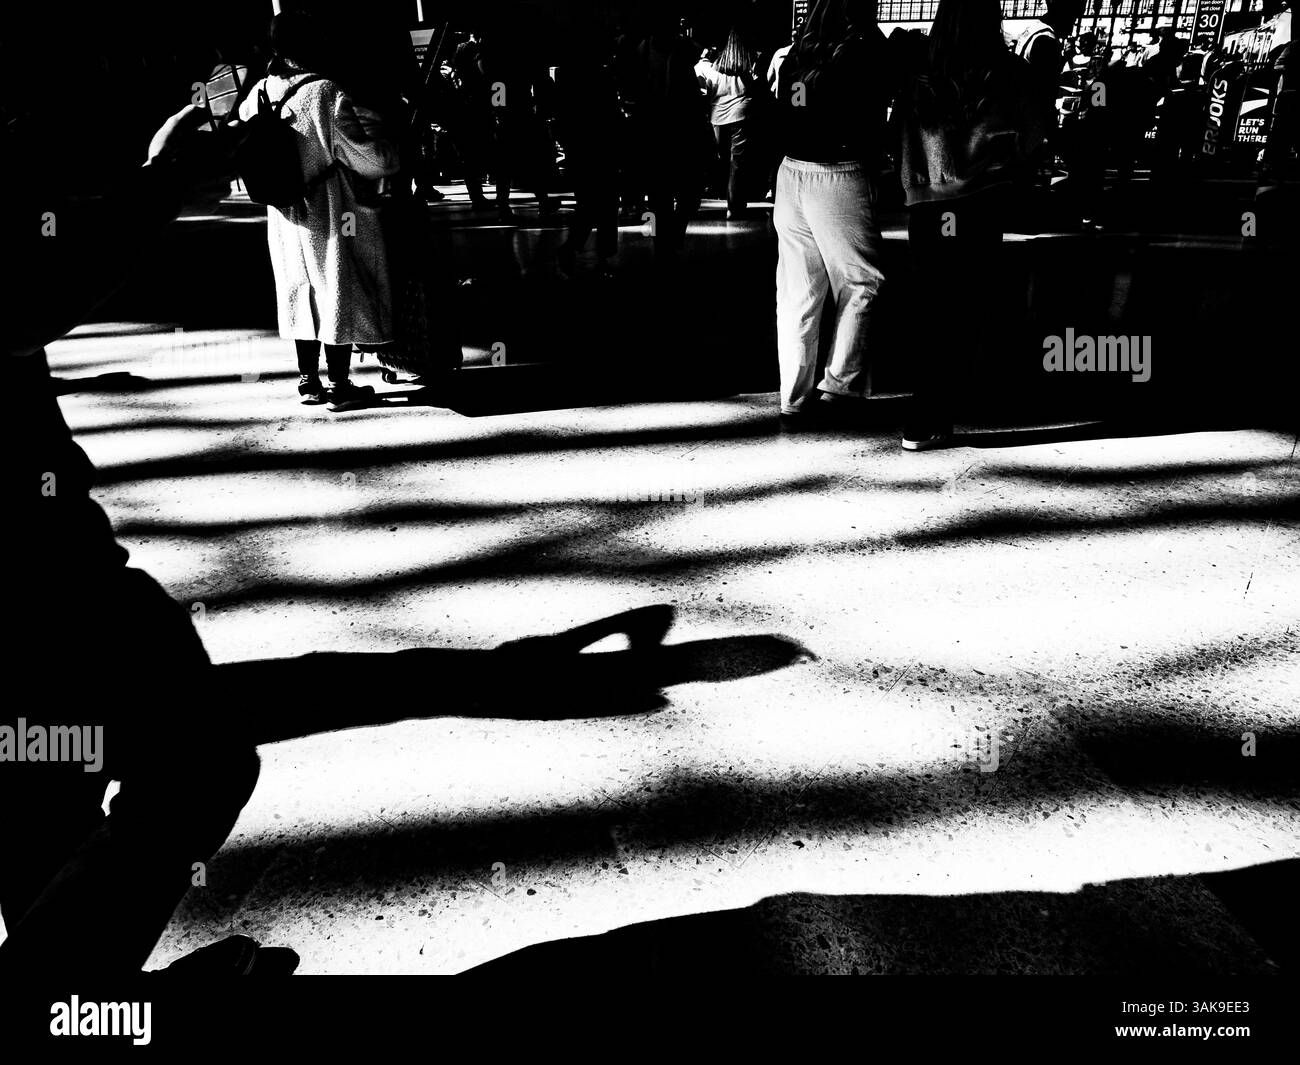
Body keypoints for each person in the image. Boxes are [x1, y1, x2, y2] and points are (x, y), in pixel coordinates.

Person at [892, 0, 1044, 450]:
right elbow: (1033, 135)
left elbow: (895, 132)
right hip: (979, 203)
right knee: (967, 305)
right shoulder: (1012, 72)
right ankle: (948, 404)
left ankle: (922, 411)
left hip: (926, 206)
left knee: (929, 304)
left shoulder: (918, 72)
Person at [237, 12, 401, 412]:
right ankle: (340, 385)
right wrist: (392, 153)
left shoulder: (259, 90)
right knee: (336, 287)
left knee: (298, 290)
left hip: (283, 210)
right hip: (329, 208)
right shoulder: (325, 92)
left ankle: (308, 383)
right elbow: (365, 157)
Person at [771, 0, 891, 425]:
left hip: (791, 174)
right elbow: (876, 116)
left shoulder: (796, 54)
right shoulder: (866, 47)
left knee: (799, 291)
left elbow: (788, 112)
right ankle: (840, 386)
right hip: (839, 173)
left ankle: (793, 396)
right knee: (862, 282)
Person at [622, 11, 710, 260]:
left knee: (669, 195)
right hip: (669, 131)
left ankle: (664, 241)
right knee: (671, 194)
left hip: (663, 131)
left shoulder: (648, 50)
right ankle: (665, 242)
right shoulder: (667, 50)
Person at [554, 27, 623, 276]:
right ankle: (603, 255)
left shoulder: (566, 78)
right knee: (606, 204)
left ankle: (573, 245)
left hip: (580, 149)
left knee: (587, 204)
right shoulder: (603, 78)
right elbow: (611, 116)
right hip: (602, 148)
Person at [697, 23, 766, 219]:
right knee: (738, 163)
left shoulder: (715, 67)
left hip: (717, 117)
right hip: (742, 115)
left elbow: (709, 92)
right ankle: (734, 207)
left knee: (723, 161)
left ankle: (722, 196)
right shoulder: (749, 64)